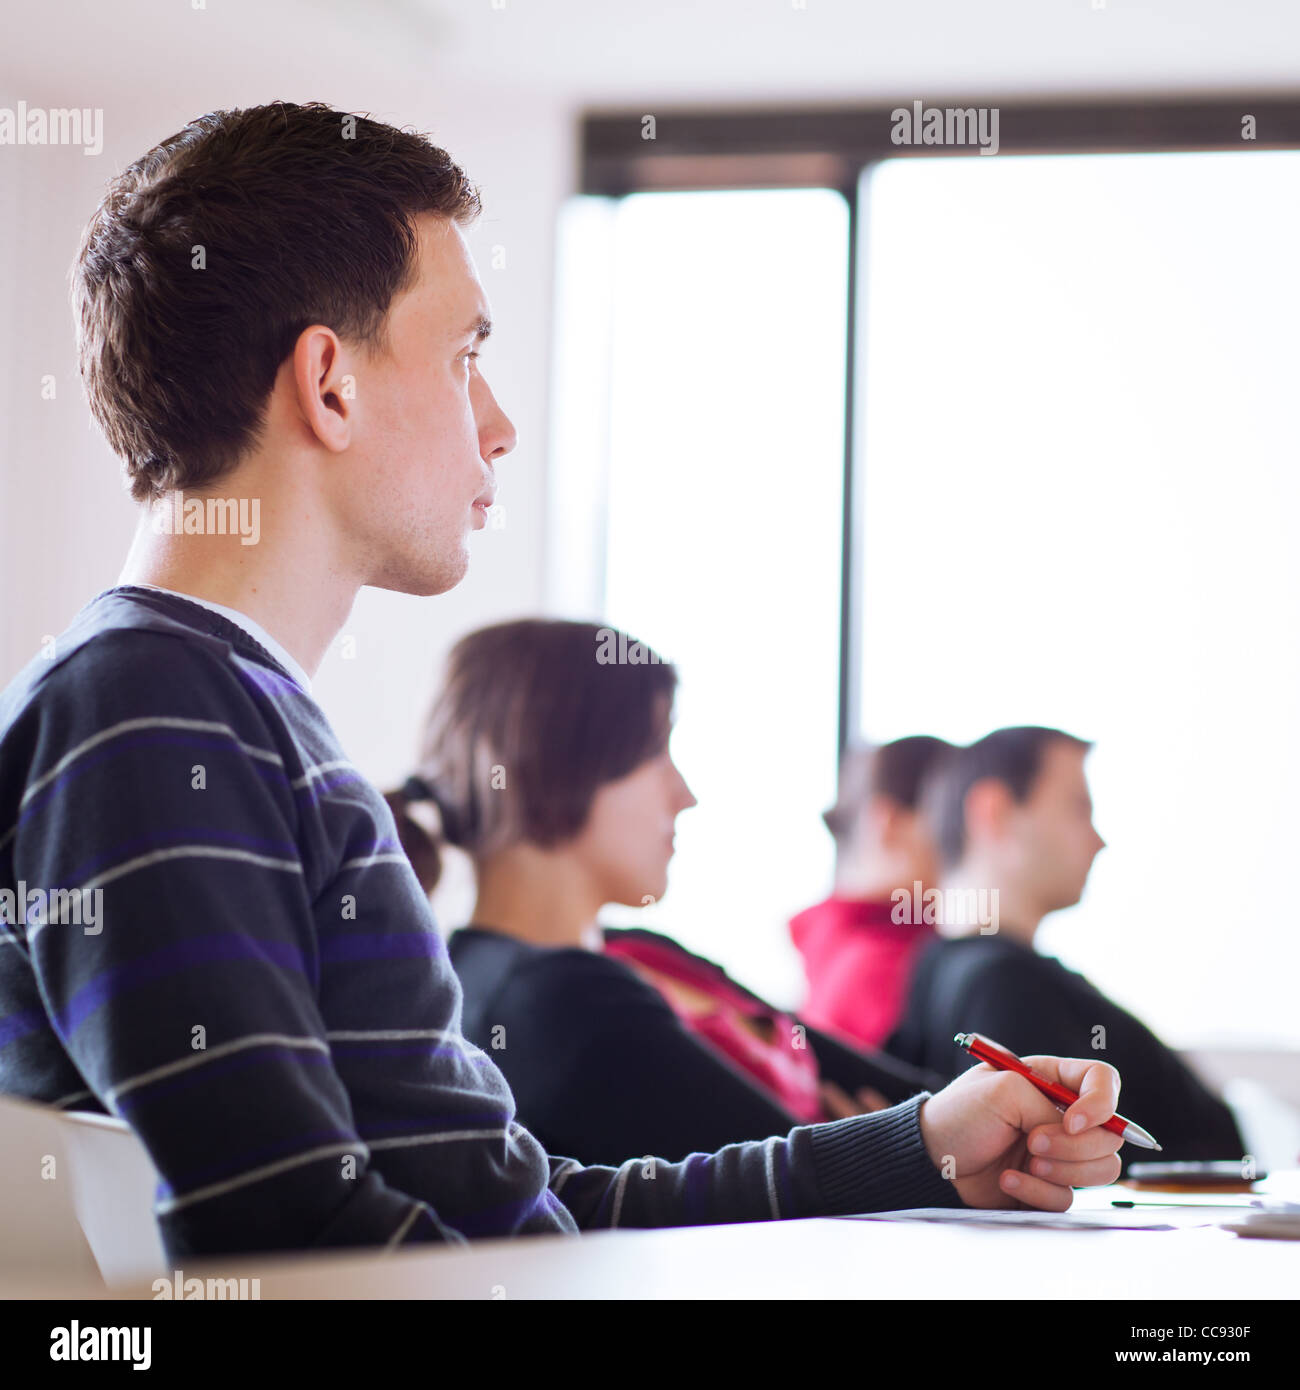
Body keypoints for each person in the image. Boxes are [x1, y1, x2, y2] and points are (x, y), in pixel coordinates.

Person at [0, 102, 1124, 1261]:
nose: (499, 425)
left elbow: (522, 1220)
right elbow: (291, 1244)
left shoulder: (221, 712)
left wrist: (921, 1145)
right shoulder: (148, 711)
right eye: (464, 357)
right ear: (329, 385)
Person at [387, 618, 946, 1167]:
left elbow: (915, 1106)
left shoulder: (638, 950)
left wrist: (898, 1138)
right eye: (657, 753)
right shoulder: (550, 1000)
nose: (685, 795)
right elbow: (813, 1180)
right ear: (559, 765)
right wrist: (881, 1146)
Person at [886, 725, 1245, 1167]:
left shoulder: (932, 969)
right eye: (1080, 809)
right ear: (994, 812)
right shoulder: (1004, 983)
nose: (1099, 841)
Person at [790, 737, 954, 1050]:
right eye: (950, 819)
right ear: (891, 825)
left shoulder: (840, 947)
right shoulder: (884, 968)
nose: (964, 839)